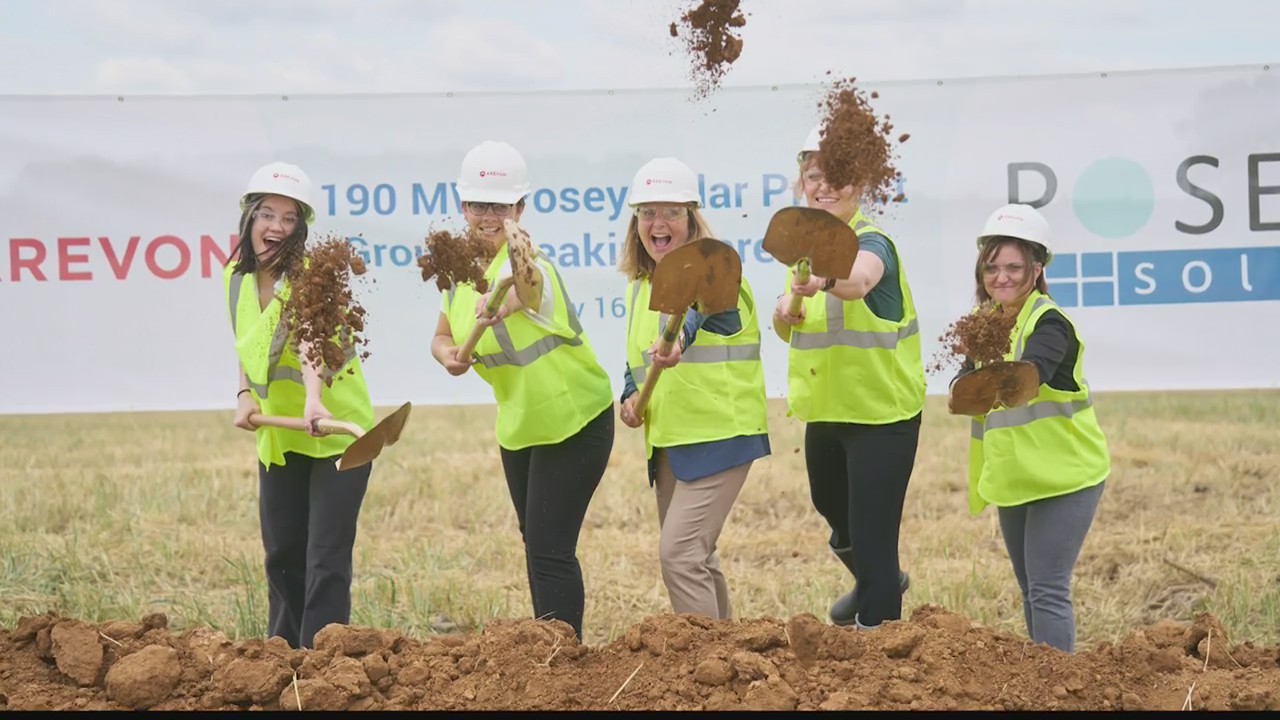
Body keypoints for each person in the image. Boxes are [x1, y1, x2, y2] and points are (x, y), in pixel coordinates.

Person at [430, 140, 615, 641]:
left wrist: (509, 299)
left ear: (520, 209)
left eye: (501, 205)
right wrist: (448, 354)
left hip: (576, 419)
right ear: (463, 207)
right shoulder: (455, 271)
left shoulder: (533, 267)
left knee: (550, 547)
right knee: (534, 540)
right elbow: (442, 336)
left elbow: (528, 289)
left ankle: (562, 660)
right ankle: (549, 649)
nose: (489, 215)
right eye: (479, 205)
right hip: (521, 425)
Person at [772, 125, 924, 629]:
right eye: (815, 175)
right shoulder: (802, 248)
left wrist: (822, 280)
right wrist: (785, 309)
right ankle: (874, 581)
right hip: (828, 411)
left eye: (839, 175)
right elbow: (787, 324)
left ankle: (879, 647)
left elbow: (858, 282)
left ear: (862, 182)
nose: (825, 186)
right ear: (802, 182)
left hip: (882, 415)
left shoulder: (873, 242)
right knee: (832, 509)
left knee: (874, 534)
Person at [225, 161, 376, 649]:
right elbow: (248, 343)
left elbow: (312, 340)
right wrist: (245, 393)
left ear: (301, 228)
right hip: (281, 431)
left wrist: (314, 401)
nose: (277, 227)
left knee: (325, 559)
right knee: (283, 555)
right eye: (267, 214)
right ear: (249, 218)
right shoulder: (234, 276)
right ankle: (280, 658)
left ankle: (322, 668)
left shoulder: (314, 275)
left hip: (335, 428)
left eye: (290, 219)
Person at [949, 203, 1110, 653]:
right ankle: (1043, 684)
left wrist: (976, 385)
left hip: (1066, 475)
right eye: (992, 267)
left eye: (1014, 268)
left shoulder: (1049, 322)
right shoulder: (983, 325)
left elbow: (1030, 372)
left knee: (1047, 588)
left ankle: (1060, 690)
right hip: (1016, 476)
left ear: (1037, 269)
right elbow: (962, 386)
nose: (1001, 277)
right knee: (1030, 590)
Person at [617, 157, 770, 621]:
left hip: (720, 435)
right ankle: (729, 657)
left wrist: (679, 338)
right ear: (636, 223)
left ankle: (705, 669)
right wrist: (629, 394)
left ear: (691, 218)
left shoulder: (716, 271)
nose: (657, 223)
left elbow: (697, 313)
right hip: (671, 440)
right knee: (697, 557)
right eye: (647, 213)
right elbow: (635, 359)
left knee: (680, 555)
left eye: (671, 212)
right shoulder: (640, 287)